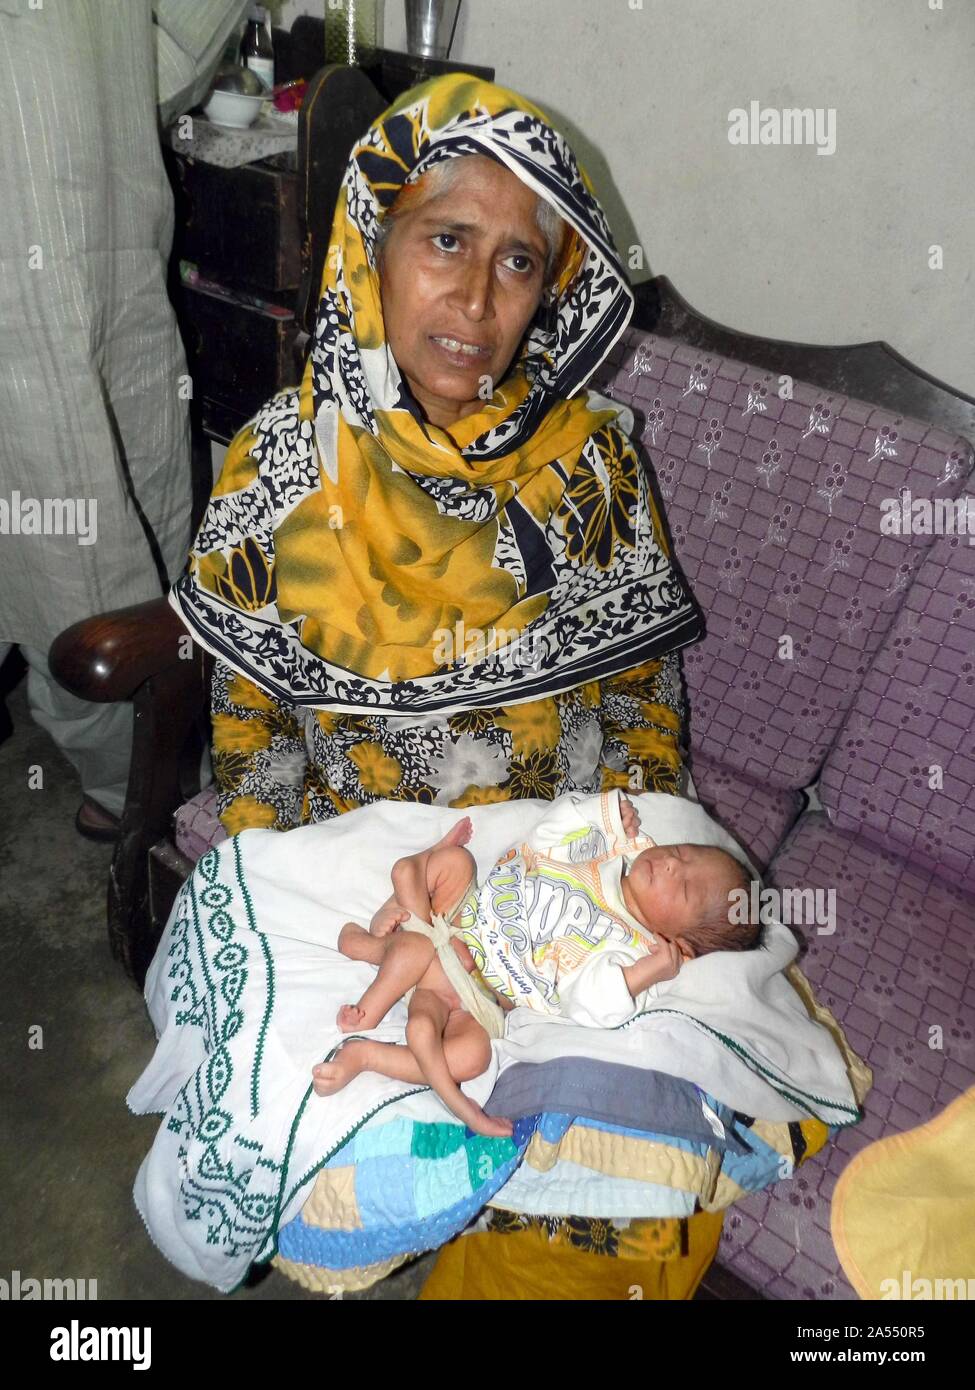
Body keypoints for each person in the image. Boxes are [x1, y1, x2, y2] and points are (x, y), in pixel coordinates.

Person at [170, 70, 705, 1281]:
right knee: (322, 1195)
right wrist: (313, 915)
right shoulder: (278, 466)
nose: (474, 299)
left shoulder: (593, 472)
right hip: (354, 888)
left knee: (619, 1178)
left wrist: (587, 901)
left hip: (550, 892)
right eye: (446, 240)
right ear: (374, 242)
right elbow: (248, 732)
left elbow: (643, 716)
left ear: (553, 286)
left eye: (519, 262)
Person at [0, 0, 249, 840]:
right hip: (69, 220)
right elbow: (176, 53)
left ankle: (142, 771)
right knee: (85, 517)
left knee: (101, 506)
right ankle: (147, 778)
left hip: (70, 226)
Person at [310, 791, 755, 1136]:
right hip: (461, 913)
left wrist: (646, 974)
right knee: (454, 862)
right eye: (683, 855)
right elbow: (546, 834)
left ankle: (369, 1052)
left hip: (476, 992)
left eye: (684, 891)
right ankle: (384, 936)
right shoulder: (609, 851)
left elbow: (586, 1005)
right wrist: (601, 815)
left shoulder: (634, 954)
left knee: (472, 1056)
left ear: (679, 943)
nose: (674, 868)